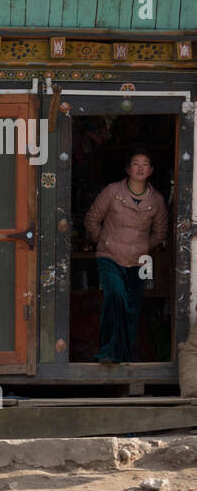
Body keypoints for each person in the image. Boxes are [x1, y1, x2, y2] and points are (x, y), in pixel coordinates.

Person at [84, 151, 168, 364]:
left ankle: (122, 355)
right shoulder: (113, 191)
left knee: (132, 306)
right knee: (115, 296)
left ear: (150, 171)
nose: (140, 168)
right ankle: (106, 351)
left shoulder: (156, 200)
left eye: (145, 164)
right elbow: (92, 218)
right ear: (128, 169)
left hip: (140, 261)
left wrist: (142, 246)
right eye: (135, 164)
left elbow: (160, 233)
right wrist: (102, 240)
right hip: (109, 256)